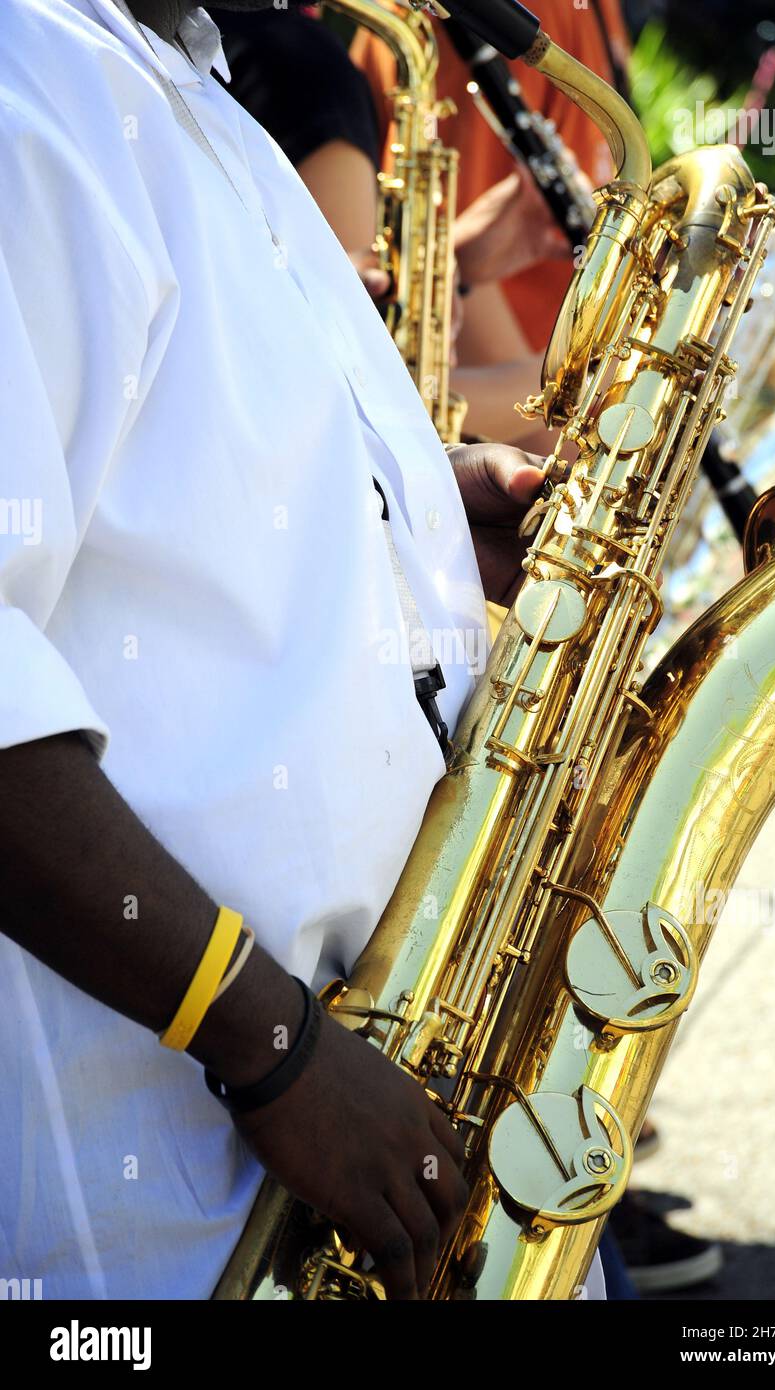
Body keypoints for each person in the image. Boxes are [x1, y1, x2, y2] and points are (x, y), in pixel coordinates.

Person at [0, 0, 602, 1301]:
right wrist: (272, 1048)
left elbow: (161, 514)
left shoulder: (198, 95)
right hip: (185, 1222)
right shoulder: (26, 73)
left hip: (379, 1089)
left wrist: (426, 517)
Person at [212, 5, 572, 448]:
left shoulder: (191, 37)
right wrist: (581, 376)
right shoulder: (297, 66)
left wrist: (454, 265)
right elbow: (369, 406)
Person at [352, 0, 632, 361]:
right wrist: (593, 387)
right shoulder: (499, 16)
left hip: (546, 372)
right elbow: (442, 266)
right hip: (516, 387)